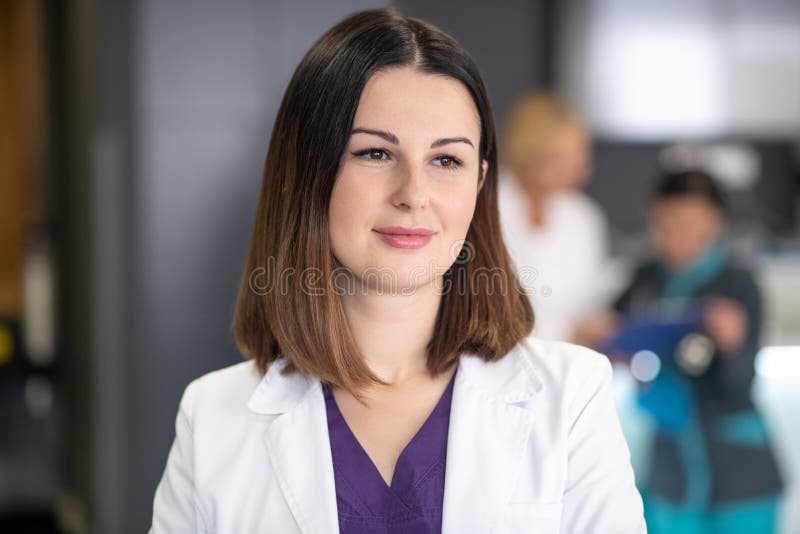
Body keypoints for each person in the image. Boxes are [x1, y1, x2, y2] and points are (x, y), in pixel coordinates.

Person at [148, 9, 645, 534]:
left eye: (446, 160)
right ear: (308, 170)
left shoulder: (571, 399)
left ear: (479, 182)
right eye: (375, 152)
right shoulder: (212, 419)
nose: (413, 194)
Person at [578, 170, 784, 534]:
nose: (679, 238)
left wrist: (732, 344)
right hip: (669, 469)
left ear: (716, 224)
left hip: (739, 478)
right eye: (667, 225)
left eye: (692, 226)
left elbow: (738, 381)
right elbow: (603, 344)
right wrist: (599, 334)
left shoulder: (738, 284)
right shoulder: (644, 279)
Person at [498, 91, 612, 342]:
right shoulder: (482, 208)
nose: (573, 170)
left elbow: (593, 298)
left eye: (578, 157)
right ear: (522, 155)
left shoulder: (584, 217)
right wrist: (565, 333)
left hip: (570, 362)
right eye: (556, 159)